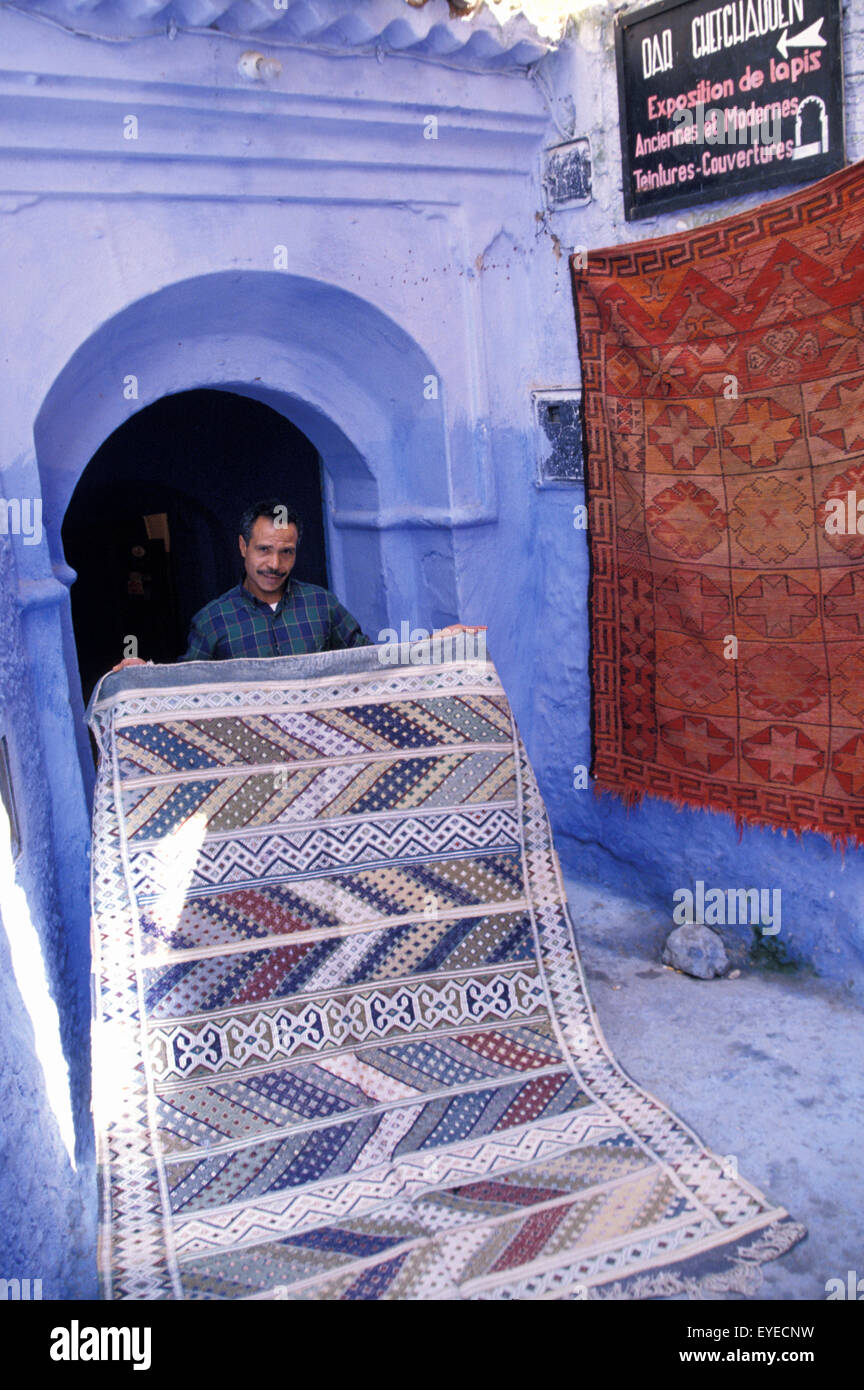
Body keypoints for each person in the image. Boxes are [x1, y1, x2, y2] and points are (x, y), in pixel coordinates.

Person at [112, 498, 482, 670]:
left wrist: (434, 645)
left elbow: (371, 661)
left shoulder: (321, 605)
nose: (275, 564)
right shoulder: (212, 621)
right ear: (242, 547)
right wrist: (142, 678)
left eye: (286, 552)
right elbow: (188, 689)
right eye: (264, 550)